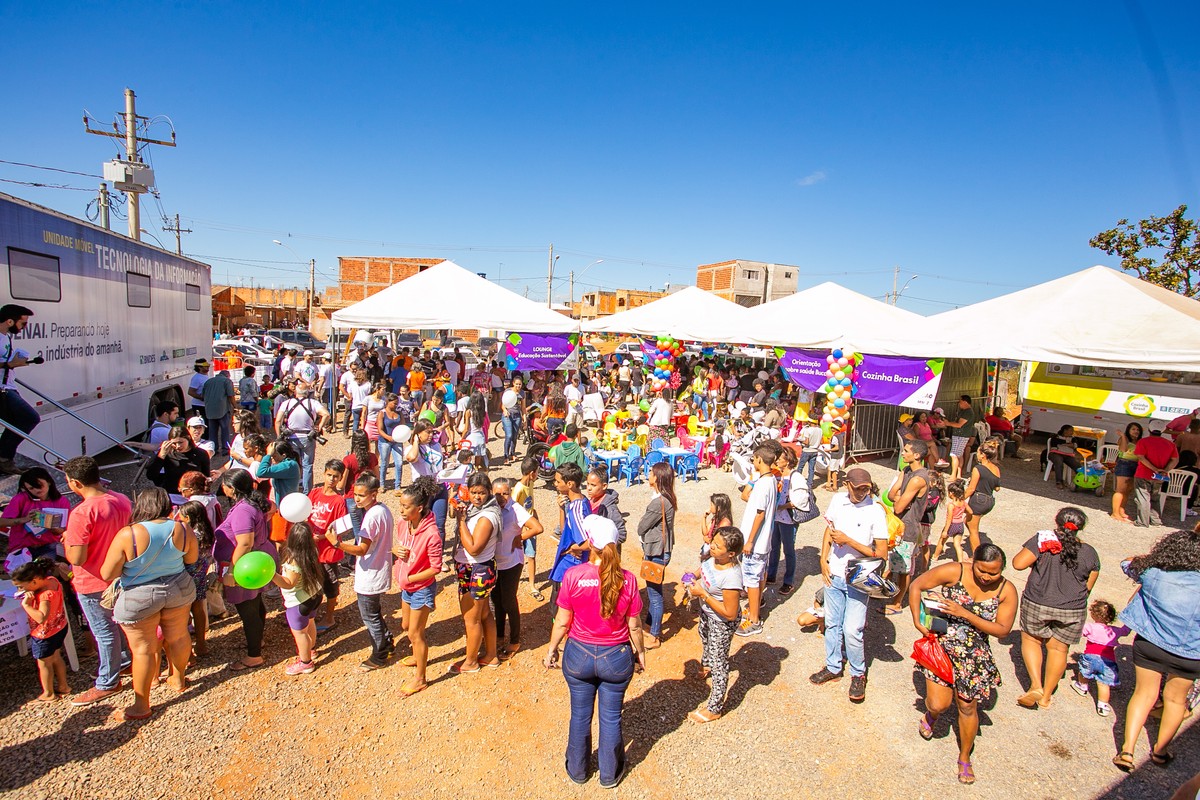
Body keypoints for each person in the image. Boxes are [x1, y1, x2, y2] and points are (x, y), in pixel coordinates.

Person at [544, 514, 645, 788]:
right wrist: (640, 653)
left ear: (590, 542)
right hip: (616, 656)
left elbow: (562, 621)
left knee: (580, 715)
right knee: (611, 717)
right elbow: (634, 625)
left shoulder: (574, 576)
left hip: (579, 654)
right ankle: (609, 774)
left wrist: (552, 649)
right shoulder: (628, 580)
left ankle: (578, 770)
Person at [910, 543, 1018, 786]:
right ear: (973, 563)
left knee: (968, 707)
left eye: (994, 573)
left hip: (974, 654)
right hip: (942, 647)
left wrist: (966, 614)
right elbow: (917, 585)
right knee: (938, 704)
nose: (987, 577)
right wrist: (917, 620)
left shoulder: (1006, 590)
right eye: (982, 570)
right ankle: (932, 715)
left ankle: (965, 756)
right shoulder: (954, 571)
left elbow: (1003, 630)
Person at [101, 488, 198, 721]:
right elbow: (192, 559)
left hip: (138, 595)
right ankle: (178, 679)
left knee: (142, 650)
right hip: (178, 587)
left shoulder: (128, 534)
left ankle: (141, 705)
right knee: (179, 636)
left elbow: (107, 572)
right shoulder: (182, 528)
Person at [1113, 528, 1200, 772]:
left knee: (1143, 694)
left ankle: (1127, 750)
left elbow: (1126, 563)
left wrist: (1156, 558)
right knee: (1176, 700)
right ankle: (1160, 750)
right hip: (1191, 653)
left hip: (1151, 644)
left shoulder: (1153, 573)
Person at [811, 467, 888, 703]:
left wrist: (849, 541)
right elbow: (830, 529)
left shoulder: (875, 511)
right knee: (832, 623)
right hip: (834, 573)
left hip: (858, 577)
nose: (863, 492)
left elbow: (881, 553)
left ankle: (858, 674)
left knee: (853, 629)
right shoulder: (838, 501)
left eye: (866, 488)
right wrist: (823, 559)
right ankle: (833, 666)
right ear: (847, 485)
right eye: (858, 488)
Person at [62, 456, 133, 707]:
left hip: (92, 581)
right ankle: (124, 662)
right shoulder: (121, 499)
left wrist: (68, 542)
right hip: (120, 574)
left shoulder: (81, 512)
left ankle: (108, 681)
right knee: (118, 624)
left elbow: (77, 557)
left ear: (75, 483)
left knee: (104, 632)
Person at [1013, 506, 1100, 709]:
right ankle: (1046, 696)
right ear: (1081, 528)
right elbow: (1088, 585)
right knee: (1059, 649)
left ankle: (1036, 685)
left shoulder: (1043, 541)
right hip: (1072, 607)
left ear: (1057, 522)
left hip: (1038, 601)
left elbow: (1018, 563)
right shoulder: (1089, 552)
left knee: (1032, 640)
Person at [327, 473, 395, 671]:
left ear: (373, 494)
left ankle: (379, 655)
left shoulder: (371, 517)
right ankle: (387, 643)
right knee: (374, 613)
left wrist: (337, 544)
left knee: (370, 616)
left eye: (361, 495)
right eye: (355, 494)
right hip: (377, 569)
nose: (357, 499)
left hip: (370, 574)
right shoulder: (382, 510)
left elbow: (362, 549)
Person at [214, 469, 277, 671]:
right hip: (256, 561)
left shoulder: (243, 510)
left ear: (232, 488)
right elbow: (272, 507)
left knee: (248, 609)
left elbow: (245, 543)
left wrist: (232, 572)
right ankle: (257, 640)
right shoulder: (254, 502)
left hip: (246, 566)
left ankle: (254, 655)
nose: (222, 488)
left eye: (224, 485)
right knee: (255, 602)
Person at [687, 526, 745, 723]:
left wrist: (703, 594)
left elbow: (730, 613)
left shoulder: (731, 577)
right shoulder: (714, 558)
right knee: (704, 635)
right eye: (713, 542)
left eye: (718, 546)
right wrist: (692, 576)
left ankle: (715, 707)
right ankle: (706, 664)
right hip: (707, 613)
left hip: (722, 622)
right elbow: (703, 570)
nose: (712, 546)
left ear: (731, 554)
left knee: (719, 662)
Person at [393, 476, 443, 696]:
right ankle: (416, 655)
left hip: (421, 588)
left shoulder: (432, 535)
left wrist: (412, 578)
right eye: (401, 505)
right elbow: (399, 547)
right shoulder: (402, 524)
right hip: (407, 587)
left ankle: (421, 679)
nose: (401, 510)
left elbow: (436, 568)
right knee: (406, 626)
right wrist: (394, 550)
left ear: (419, 508)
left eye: (406, 507)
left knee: (415, 633)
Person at [452, 472, 501, 673]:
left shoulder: (486, 517)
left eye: (481, 493)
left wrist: (461, 521)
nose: (477, 497)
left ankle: (471, 662)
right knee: (485, 614)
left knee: (471, 619)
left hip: (476, 569)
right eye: (473, 492)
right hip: (477, 568)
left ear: (489, 492)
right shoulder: (478, 510)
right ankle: (491, 655)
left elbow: (474, 549)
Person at [492, 476, 543, 659]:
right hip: (496, 562)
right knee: (496, 599)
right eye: (498, 493)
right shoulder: (491, 507)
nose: (502, 497)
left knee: (508, 601)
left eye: (505, 493)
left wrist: (519, 538)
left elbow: (537, 528)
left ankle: (514, 640)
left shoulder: (515, 509)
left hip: (511, 562)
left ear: (510, 492)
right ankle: (499, 635)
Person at [11, 558, 70, 701]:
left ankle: (48, 694)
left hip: (44, 635)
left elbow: (41, 617)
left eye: (21, 587)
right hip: (59, 627)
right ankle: (64, 686)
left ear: (34, 581)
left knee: (44, 664)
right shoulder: (52, 580)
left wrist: (27, 605)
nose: (20, 590)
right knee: (56, 657)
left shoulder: (44, 595)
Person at [270, 521, 325, 675]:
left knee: (300, 633)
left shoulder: (294, 560)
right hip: (314, 594)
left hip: (298, 602)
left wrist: (272, 575)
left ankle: (305, 663)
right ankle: (311, 650)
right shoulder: (312, 550)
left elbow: (289, 583)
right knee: (310, 622)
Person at [884, 441, 931, 615]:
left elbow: (898, 507)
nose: (902, 453)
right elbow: (891, 494)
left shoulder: (918, 478)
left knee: (904, 569)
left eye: (906, 451)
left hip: (909, 527)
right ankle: (889, 593)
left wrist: (900, 499)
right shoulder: (906, 470)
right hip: (899, 525)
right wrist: (901, 498)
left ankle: (897, 603)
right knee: (894, 562)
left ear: (917, 455)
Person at [737, 444, 778, 637]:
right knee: (759, 577)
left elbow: (759, 515)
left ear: (760, 459)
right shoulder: (770, 480)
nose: (753, 462)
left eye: (754, 459)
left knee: (752, 581)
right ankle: (754, 610)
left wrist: (750, 541)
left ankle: (754, 620)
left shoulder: (762, 485)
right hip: (763, 542)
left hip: (756, 543)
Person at [637, 461, 677, 649]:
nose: (649, 475)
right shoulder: (668, 498)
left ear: (658, 478)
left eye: (651, 473)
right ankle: (649, 626)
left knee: (654, 595)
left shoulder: (658, 502)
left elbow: (642, 527)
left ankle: (654, 636)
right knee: (655, 592)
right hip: (662, 550)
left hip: (656, 551)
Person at [306, 461, 349, 632]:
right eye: (329, 475)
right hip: (311, 549)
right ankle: (311, 614)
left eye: (335, 476)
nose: (331, 479)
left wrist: (323, 537)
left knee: (330, 584)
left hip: (328, 551)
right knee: (311, 582)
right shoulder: (314, 493)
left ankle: (330, 617)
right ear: (324, 474)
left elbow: (341, 528)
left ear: (340, 478)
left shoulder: (339, 501)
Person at [1071, 599, 1130, 717]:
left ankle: (1082, 686)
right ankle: (1103, 705)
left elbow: (1078, 631)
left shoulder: (1090, 627)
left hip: (1090, 657)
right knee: (1103, 683)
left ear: (1093, 615)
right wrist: (1130, 621)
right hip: (1108, 661)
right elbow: (1125, 631)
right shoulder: (1114, 631)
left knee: (1084, 672)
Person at [175, 498, 216, 657]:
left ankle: (187, 652)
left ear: (188, 518)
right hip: (200, 574)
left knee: (184, 613)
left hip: (187, 575)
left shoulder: (191, 534)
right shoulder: (207, 531)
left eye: (181, 515)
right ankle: (201, 643)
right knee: (198, 608)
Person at [0, 466, 71, 558]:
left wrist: (49, 524)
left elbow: (62, 530)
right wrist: (25, 519)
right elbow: (2, 522)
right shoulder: (21, 499)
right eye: (31, 488)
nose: (37, 490)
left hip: (47, 546)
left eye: (39, 486)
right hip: (22, 547)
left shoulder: (62, 501)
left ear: (49, 482)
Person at [768, 447, 810, 595]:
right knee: (773, 547)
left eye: (780, 458)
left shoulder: (796, 477)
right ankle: (771, 574)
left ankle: (788, 581)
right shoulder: (777, 475)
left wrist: (782, 506)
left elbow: (800, 500)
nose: (777, 460)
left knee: (789, 550)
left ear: (788, 460)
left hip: (788, 519)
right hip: (776, 517)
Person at [274, 384, 329, 494]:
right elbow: (326, 414)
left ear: (296, 392)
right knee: (307, 465)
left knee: (292, 464)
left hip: (291, 437)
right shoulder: (313, 403)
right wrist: (319, 427)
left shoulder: (287, 403)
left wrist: (279, 437)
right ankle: (307, 491)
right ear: (307, 392)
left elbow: (278, 421)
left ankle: (293, 489)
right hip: (308, 437)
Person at [549, 463, 591, 607]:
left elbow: (588, 542)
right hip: (569, 567)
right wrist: (561, 509)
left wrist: (572, 549)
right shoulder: (580, 501)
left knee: (562, 609)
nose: (555, 484)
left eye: (558, 481)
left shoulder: (577, 508)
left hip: (570, 568)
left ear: (570, 484)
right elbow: (564, 530)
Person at [1133, 428, 1179, 527]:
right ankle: (1156, 520)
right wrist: (1165, 470)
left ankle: (1142, 521)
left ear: (1149, 430)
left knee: (1143, 497)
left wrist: (1154, 469)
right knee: (1155, 497)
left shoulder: (1143, 441)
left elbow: (1140, 457)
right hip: (1160, 476)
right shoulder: (1170, 444)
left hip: (1144, 473)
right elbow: (1175, 460)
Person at [514, 454, 545, 600]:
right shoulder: (518, 489)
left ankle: (532, 586)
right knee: (517, 557)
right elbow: (513, 509)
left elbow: (529, 504)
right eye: (537, 472)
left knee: (531, 556)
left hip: (530, 526)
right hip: (521, 528)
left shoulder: (530, 484)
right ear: (532, 473)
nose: (537, 474)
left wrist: (535, 514)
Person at [147, 427, 211, 494]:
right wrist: (161, 456)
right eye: (174, 443)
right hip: (172, 493)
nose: (178, 446)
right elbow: (151, 475)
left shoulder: (201, 454)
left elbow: (206, 476)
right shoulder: (167, 453)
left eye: (180, 442)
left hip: (193, 494)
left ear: (188, 438)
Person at [964, 439, 1001, 553]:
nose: (977, 455)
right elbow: (997, 488)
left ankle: (976, 556)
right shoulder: (996, 468)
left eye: (978, 453)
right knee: (967, 521)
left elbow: (971, 489)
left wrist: (960, 498)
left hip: (978, 499)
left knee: (973, 531)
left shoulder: (978, 469)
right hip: (989, 500)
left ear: (983, 455)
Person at [585, 466, 627, 550]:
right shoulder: (591, 501)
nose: (589, 488)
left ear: (604, 486)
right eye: (588, 484)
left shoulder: (610, 509)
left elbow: (621, 534)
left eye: (593, 485)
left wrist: (604, 547)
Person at [1111, 422, 1144, 522]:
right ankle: (1115, 513)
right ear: (1128, 430)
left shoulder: (1140, 441)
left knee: (1128, 490)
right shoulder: (1124, 438)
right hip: (1124, 463)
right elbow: (1123, 449)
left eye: (1137, 430)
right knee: (1120, 489)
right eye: (1133, 429)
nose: (1136, 431)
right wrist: (1123, 436)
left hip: (1136, 464)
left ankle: (1121, 510)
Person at [254, 439, 301, 504]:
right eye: (271, 456)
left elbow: (261, 472)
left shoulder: (289, 465)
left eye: (274, 455)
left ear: (283, 455)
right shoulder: (280, 464)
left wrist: (268, 454)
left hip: (288, 505)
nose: (271, 458)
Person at [377, 393, 408, 491]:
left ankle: (397, 485)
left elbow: (403, 426)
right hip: (385, 441)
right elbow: (380, 429)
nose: (396, 405)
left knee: (399, 463)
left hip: (397, 441)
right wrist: (388, 437)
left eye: (397, 403)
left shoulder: (399, 413)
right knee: (384, 463)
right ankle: (382, 484)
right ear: (388, 402)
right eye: (394, 403)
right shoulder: (382, 413)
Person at [201, 368, 236, 456]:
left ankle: (213, 449)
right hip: (223, 409)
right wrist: (235, 406)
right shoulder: (227, 381)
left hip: (209, 410)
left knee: (212, 431)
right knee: (225, 430)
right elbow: (230, 395)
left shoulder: (208, 381)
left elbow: (202, 395)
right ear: (227, 375)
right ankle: (225, 449)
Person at [934, 480, 969, 562]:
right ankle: (960, 561)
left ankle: (935, 556)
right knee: (957, 544)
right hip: (960, 525)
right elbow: (970, 511)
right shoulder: (963, 503)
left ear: (951, 493)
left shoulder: (951, 505)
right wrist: (962, 511)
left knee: (941, 541)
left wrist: (945, 531)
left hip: (952, 525)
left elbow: (949, 519)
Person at [1046, 425, 1082, 489]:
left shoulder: (1073, 438)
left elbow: (1075, 445)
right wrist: (1067, 443)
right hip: (1055, 453)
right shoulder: (1056, 436)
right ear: (1065, 430)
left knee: (1077, 465)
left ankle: (1081, 481)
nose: (1072, 432)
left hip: (1068, 455)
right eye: (1071, 430)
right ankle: (1059, 481)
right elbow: (1054, 442)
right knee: (1059, 462)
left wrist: (1064, 444)